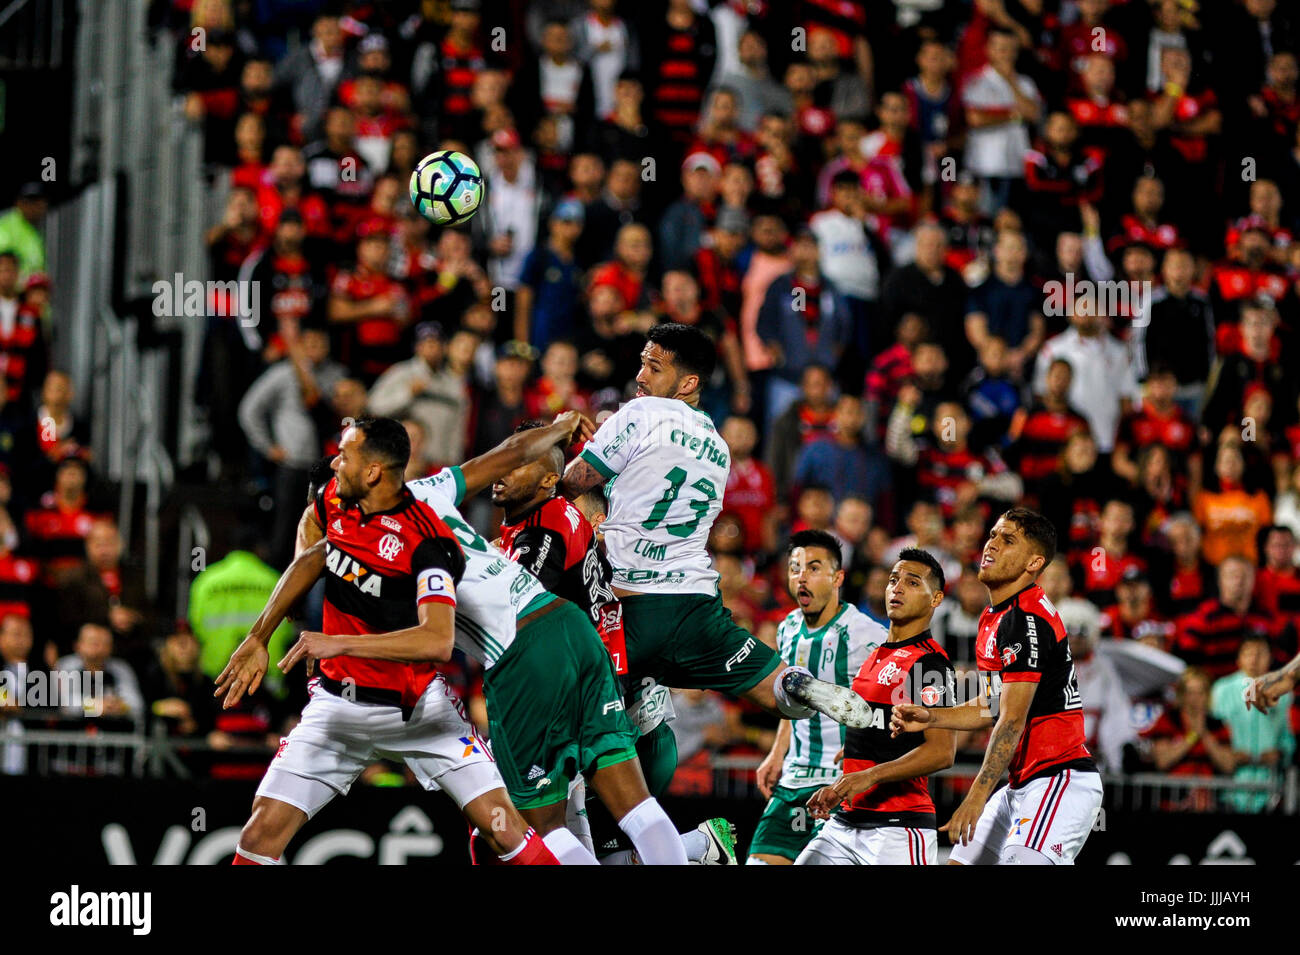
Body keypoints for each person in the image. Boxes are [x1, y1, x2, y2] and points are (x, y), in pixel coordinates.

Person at [216, 416, 559, 866]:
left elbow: (437, 641)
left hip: (417, 710)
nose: (335, 462)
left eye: (346, 455)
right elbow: (315, 548)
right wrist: (259, 634)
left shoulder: (427, 541)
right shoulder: (335, 499)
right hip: (336, 710)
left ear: (374, 470)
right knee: (260, 833)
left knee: (503, 830)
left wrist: (338, 644)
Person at [558, 323, 850, 801]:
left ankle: (619, 822)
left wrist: (562, 447)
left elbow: (573, 483)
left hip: (630, 608)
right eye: (642, 363)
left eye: (654, 367)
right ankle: (799, 686)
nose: (640, 376)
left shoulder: (641, 412)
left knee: (590, 726)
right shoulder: (718, 446)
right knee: (768, 688)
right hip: (697, 606)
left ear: (687, 382)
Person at [489, 420, 736, 866]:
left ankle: (697, 846)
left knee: (552, 830)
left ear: (552, 481)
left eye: (518, 460)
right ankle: (697, 847)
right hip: (612, 696)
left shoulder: (549, 526)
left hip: (590, 698)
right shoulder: (561, 525)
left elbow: (518, 602)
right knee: (589, 832)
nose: (500, 470)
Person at [891, 508, 1103, 865]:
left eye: (1008, 541)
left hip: (1058, 780)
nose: (991, 545)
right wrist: (932, 718)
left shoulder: (1025, 620)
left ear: (1034, 562)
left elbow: (1011, 721)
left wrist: (976, 796)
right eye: (992, 535)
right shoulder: (996, 616)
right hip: (1022, 784)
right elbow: (994, 705)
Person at [789, 549, 956, 865]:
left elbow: (942, 752)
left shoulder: (930, 663)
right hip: (844, 822)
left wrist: (868, 776)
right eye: (894, 580)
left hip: (898, 828)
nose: (898, 588)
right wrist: (850, 764)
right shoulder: (876, 654)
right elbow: (877, 729)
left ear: (935, 599)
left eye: (912, 582)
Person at [749, 530, 887, 865]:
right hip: (794, 779)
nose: (801, 577)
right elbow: (790, 702)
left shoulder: (866, 634)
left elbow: (890, 706)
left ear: (837, 576)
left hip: (839, 784)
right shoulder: (788, 627)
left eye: (813, 568)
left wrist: (867, 749)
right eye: (795, 568)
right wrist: (776, 754)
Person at [1210, 634, 1294, 813]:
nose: (1254, 659)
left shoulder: (1283, 693)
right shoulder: (1221, 689)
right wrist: (1226, 754)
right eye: (1248, 653)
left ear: (1270, 658)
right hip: (1229, 784)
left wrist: (1280, 752)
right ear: (1238, 658)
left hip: (1271, 786)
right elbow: (1212, 733)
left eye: (1260, 653)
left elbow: (1288, 737)